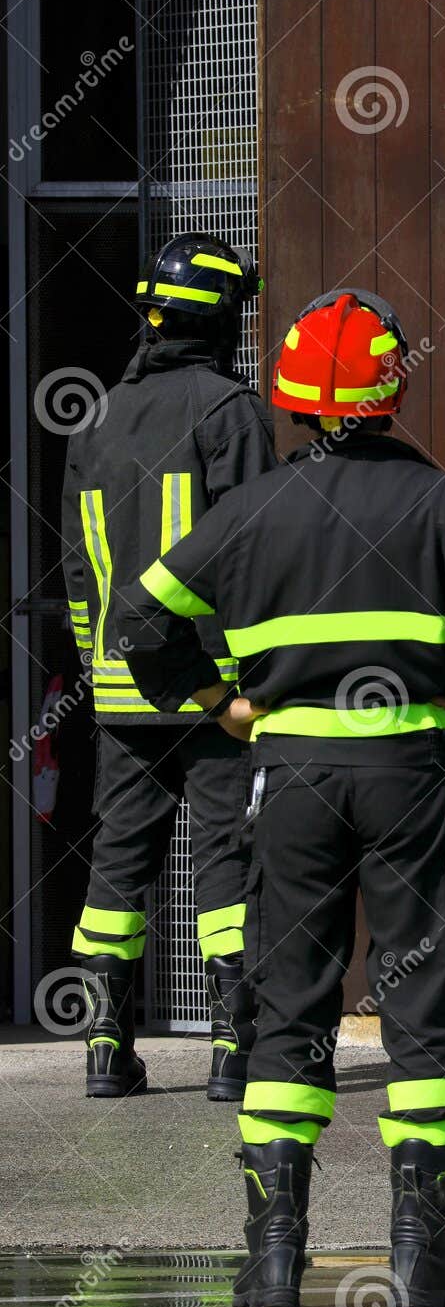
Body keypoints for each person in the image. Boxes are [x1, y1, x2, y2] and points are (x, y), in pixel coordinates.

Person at [119, 288, 445, 1307]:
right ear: (390, 393)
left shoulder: (253, 509)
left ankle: (273, 1258)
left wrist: (221, 704)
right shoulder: (439, 501)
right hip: (409, 773)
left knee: (291, 1006)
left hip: (293, 780)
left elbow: (136, 617)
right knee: (420, 1006)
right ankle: (423, 1256)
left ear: (292, 399)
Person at [62, 235, 276, 1101]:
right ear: (221, 320)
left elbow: (79, 566)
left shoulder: (97, 417)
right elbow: (257, 553)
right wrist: (256, 678)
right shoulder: (232, 411)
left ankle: (104, 1050)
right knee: (227, 857)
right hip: (220, 691)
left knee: (118, 860)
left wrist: (100, 663)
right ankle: (234, 1053)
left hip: (122, 688)